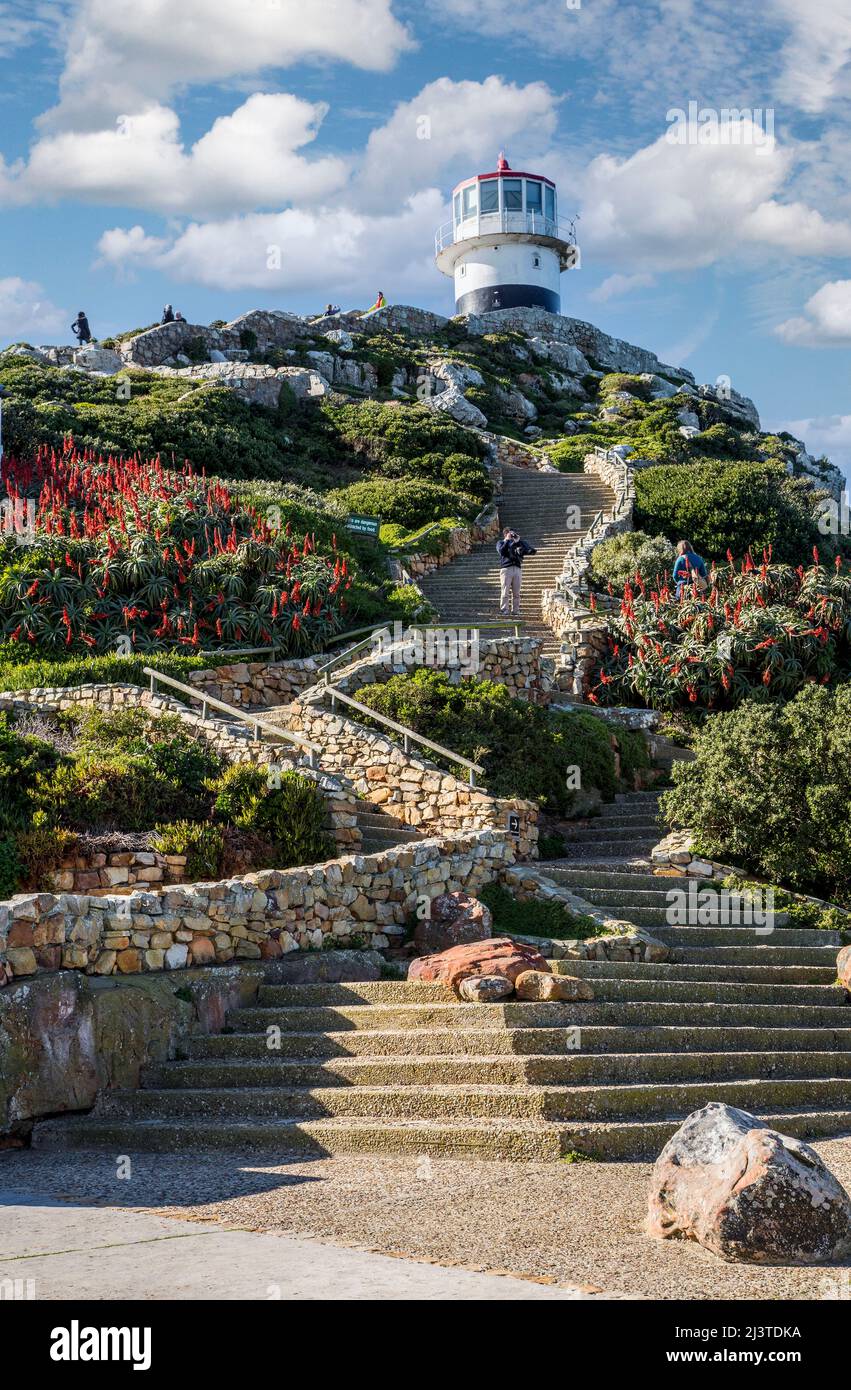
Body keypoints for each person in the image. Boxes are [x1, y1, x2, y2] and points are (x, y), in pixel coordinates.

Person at [496, 526, 537, 617]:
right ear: (506, 534)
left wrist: (518, 542)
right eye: (510, 533)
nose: (512, 535)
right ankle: (504, 609)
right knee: (505, 591)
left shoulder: (517, 543)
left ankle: (516, 610)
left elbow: (528, 551)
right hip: (506, 569)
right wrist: (507, 540)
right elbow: (501, 552)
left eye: (513, 534)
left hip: (517, 569)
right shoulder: (500, 543)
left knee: (516, 593)